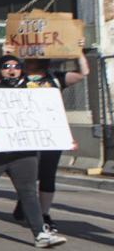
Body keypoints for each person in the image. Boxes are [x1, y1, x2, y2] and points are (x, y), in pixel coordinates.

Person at [0, 56, 66, 247]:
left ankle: (40, 234)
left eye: (16, 67)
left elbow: (48, 116)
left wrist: (61, 135)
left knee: (28, 191)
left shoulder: (31, 91)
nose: (12, 70)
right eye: (6, 67)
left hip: (23, 150)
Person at [17, 48, 88, 229]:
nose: (28, 62)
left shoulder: (55, 79)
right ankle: (24, 204)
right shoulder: (18, 80)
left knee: (48, 175)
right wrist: (7, 52)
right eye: (27, 59)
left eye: (32, 59)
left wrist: (78, 52)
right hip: (25, 134)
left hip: (51, 135)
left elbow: (83, 73)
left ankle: (44, 214)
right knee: (28, 174)